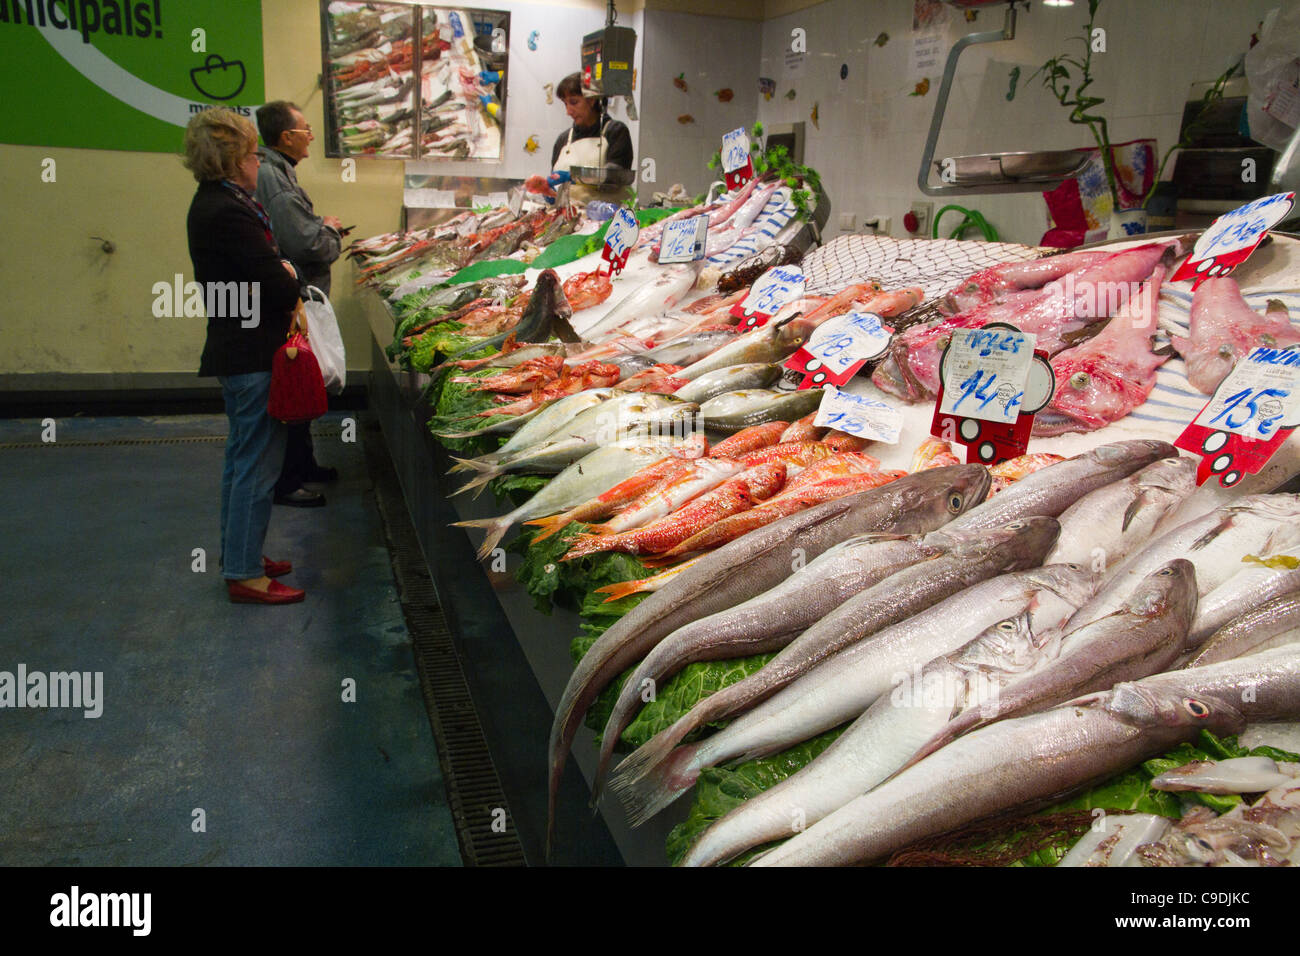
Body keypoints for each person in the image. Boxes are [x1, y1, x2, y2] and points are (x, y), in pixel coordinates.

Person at [185, 107, 305, 605]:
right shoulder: (229, 211)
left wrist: (279, 268)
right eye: (254, 155)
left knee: (241, 460)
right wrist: (291, 276)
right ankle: (244, 571)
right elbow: (277, 283)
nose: (259, 164)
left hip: (238, 349)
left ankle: (243, 553)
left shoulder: (215, 202)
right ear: (235, 161)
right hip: (251, 353)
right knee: (257, 464)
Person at [254, 100, 342, 508]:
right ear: (286, 137)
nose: (311, 136)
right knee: (295, 381)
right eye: (306, 129)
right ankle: (288, 480)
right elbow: (306, 242)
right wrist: (330, 236)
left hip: (297, 301)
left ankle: (303, 465)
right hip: (292, 303)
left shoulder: (278, 173)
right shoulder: (274, 178)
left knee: (303, 379)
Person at [524, 72, 633, 209]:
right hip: (571, 222)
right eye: (565, 104)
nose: (568, 111)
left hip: (607, 222)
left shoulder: (615, 131)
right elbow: (556, 193)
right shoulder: (563, 140)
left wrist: (574, 177)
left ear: (592, 100)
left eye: (574, 102)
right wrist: (546, 189)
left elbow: (615, 177)